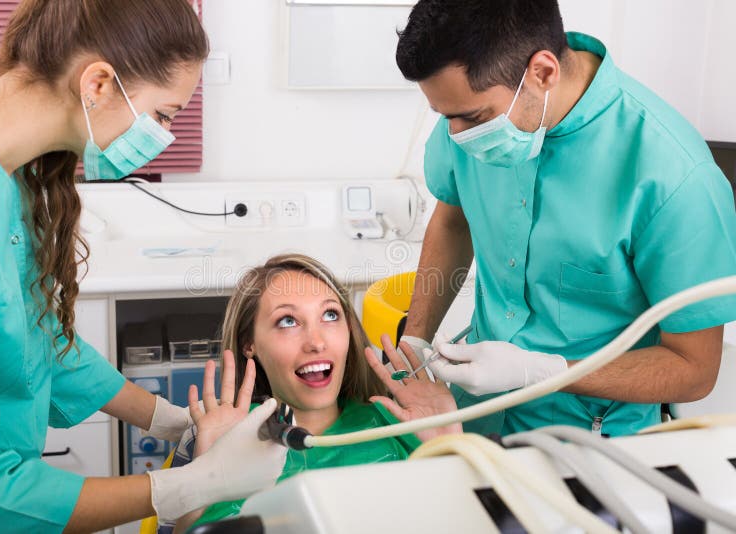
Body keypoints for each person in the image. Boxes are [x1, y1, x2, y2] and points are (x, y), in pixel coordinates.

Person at [0, 1, 286, 532]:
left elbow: (36, 340)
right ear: (97, 84)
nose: (164, 135)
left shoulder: (8, 168)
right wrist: (189, 486)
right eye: (163, 115)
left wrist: (168, 421)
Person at [394, 0, 736, 437]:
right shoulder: (471, 118)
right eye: (445, 118)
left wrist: (540, 371)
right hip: (474, 415)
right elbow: (452, 219)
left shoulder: (675, 177)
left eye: (473, 118)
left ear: (542, 73)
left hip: (587, 442)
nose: (456, 137)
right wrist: (416, 338)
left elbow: (695, 369)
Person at [173, 254, 461, 533]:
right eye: (288, 321)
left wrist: (450, 449)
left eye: (330, 315)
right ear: (250, 344)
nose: (316, 342)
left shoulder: (400, 425)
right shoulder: (230, 439)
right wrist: (202, 484)